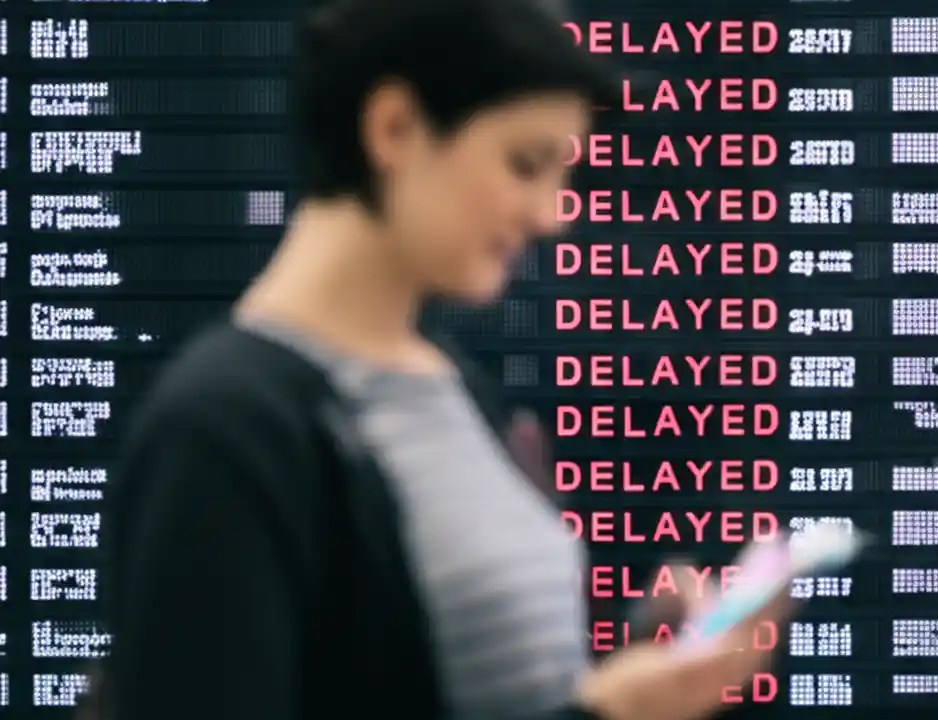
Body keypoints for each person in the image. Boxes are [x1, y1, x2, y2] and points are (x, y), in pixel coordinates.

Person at [101, 1, 792, 719]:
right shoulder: (223, 432)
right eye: (525, 164)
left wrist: (637, 672)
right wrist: (609, 713)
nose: (553, 215)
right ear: (394, 127)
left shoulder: (453, 386)